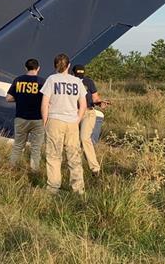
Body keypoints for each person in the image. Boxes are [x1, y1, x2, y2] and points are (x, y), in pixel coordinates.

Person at [41, 53, 88, 195]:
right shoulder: (77, 82)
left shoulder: (51, 80)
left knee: (54, 155)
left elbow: (44, 103)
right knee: (74, 155)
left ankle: (53, 187)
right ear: (68, 65)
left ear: (55, 65)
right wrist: (77, 119)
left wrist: (45, 122)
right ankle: (78, 189)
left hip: (55, 120)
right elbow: (83, 105)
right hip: (72, 122)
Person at [6, 59, 44, 172]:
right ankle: (34, 171)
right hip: (37, 119)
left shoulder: (18, 80)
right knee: (36, 148)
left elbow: (8, 98)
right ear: (38, 68)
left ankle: (12, 168)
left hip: (21, 118)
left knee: (18, 145)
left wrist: (21, 98)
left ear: (25, 68)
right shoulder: (42, 82)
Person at [73, 64, 105, 176]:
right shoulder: (70, 82)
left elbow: (95, 97)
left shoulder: (89, 82)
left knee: (84, 138)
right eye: (78, 74)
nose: (79, 76)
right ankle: (75, 168)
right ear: (74, 73)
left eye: (81, 74)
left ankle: (95, 168)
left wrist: (100, 103)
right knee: (72, 142)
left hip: (88, 112)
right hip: (73, 113)